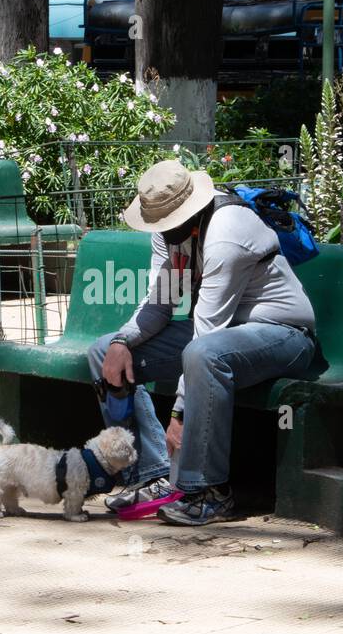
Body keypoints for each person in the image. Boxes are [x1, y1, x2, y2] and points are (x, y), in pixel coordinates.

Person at [88, 159, 316, 526]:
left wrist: (180, 414)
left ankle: (208, 492)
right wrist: (120, 340)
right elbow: (159, 304)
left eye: (168, 221)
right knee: (104, 351)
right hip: (218, 336)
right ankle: (154, 474)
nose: (163, 230)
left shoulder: (227, 232)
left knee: (204, 354)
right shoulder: (167, 235)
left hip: (282, 335)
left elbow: (208, 331)